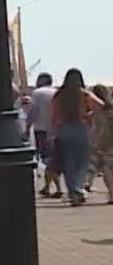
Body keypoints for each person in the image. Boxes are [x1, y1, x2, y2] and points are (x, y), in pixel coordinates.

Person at [49, 69, 103, 206]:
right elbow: (101, 105)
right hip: (80, 128)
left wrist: (52, 133)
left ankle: (72, 191)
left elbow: (54, 115)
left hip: (63, 129)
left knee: (68, 161)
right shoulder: (83, 94)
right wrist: (89, 115)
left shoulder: (59, 95)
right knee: (82, 161)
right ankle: (78, 188)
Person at [30, 72, 59, 197]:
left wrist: (28, 126)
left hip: (41, 129)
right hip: (56, 129)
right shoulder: (56, 92)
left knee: (47, 159)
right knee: (53, 158)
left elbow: (34, 111)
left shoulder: (37, 93)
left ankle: (55, 187)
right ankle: (49, 186)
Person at [89, 84, 113, 199]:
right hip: (107, 140)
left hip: (105, 141)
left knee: (107, 168)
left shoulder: (97, 111)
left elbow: (96, 129)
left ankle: (112, 193)